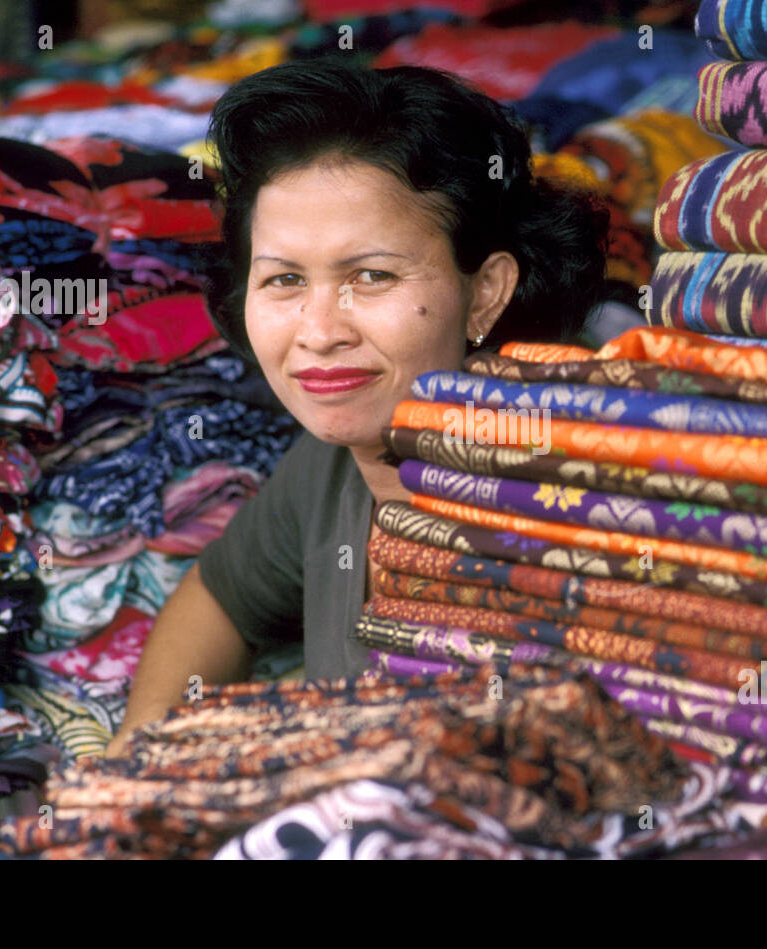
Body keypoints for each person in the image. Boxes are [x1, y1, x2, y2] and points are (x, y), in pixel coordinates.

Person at [106, 58, 608, 754]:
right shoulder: (336, 466)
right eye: (283, 279)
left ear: (486, 292)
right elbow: (219, 598)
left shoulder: (573, 491)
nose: (319, 331)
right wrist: (138, 752)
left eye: (371, 276)